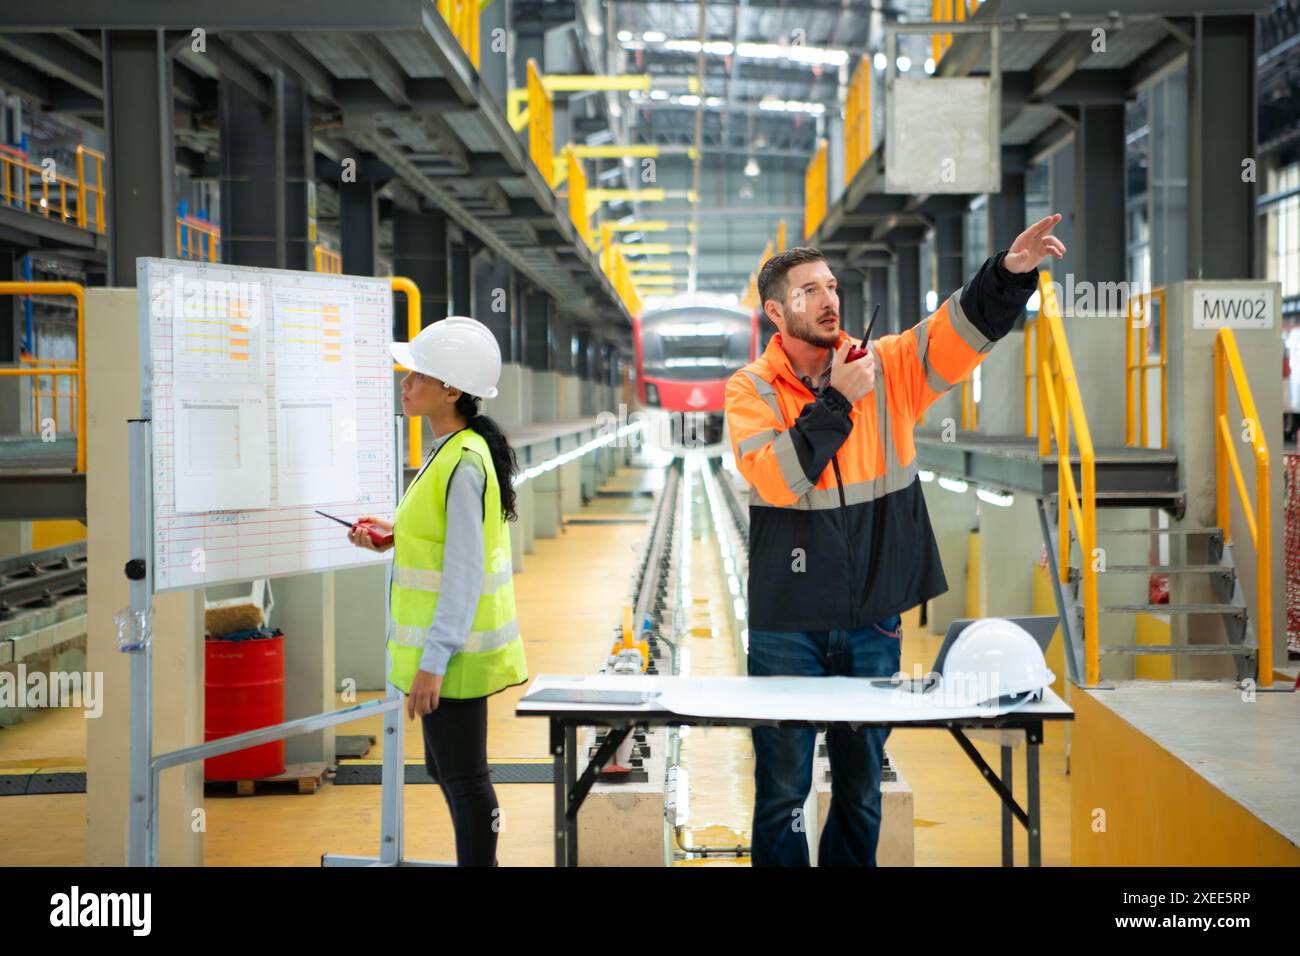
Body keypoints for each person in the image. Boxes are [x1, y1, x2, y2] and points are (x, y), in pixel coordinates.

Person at [724, 215, 1066, 866]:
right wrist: (839, 405)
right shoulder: (752, 391)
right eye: (809, 291)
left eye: (832, 286)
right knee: (783, 793)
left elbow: (954, 332)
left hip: (869, 621)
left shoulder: (886, 368)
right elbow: (777, 479)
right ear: (775, 311)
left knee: (860, 791)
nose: (829, 299)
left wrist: (1007, 275)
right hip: (787, 625)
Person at [347, 315, 528, 867]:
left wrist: (433, 663)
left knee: (465, 777)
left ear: (451, 389)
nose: (405, 384)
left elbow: (465, 572)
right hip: (449, 654)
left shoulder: (464, 461)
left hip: (456, 657)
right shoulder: (454, 448)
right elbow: (443, 538)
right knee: (445, 770)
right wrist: (394, 537)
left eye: (416, 376)